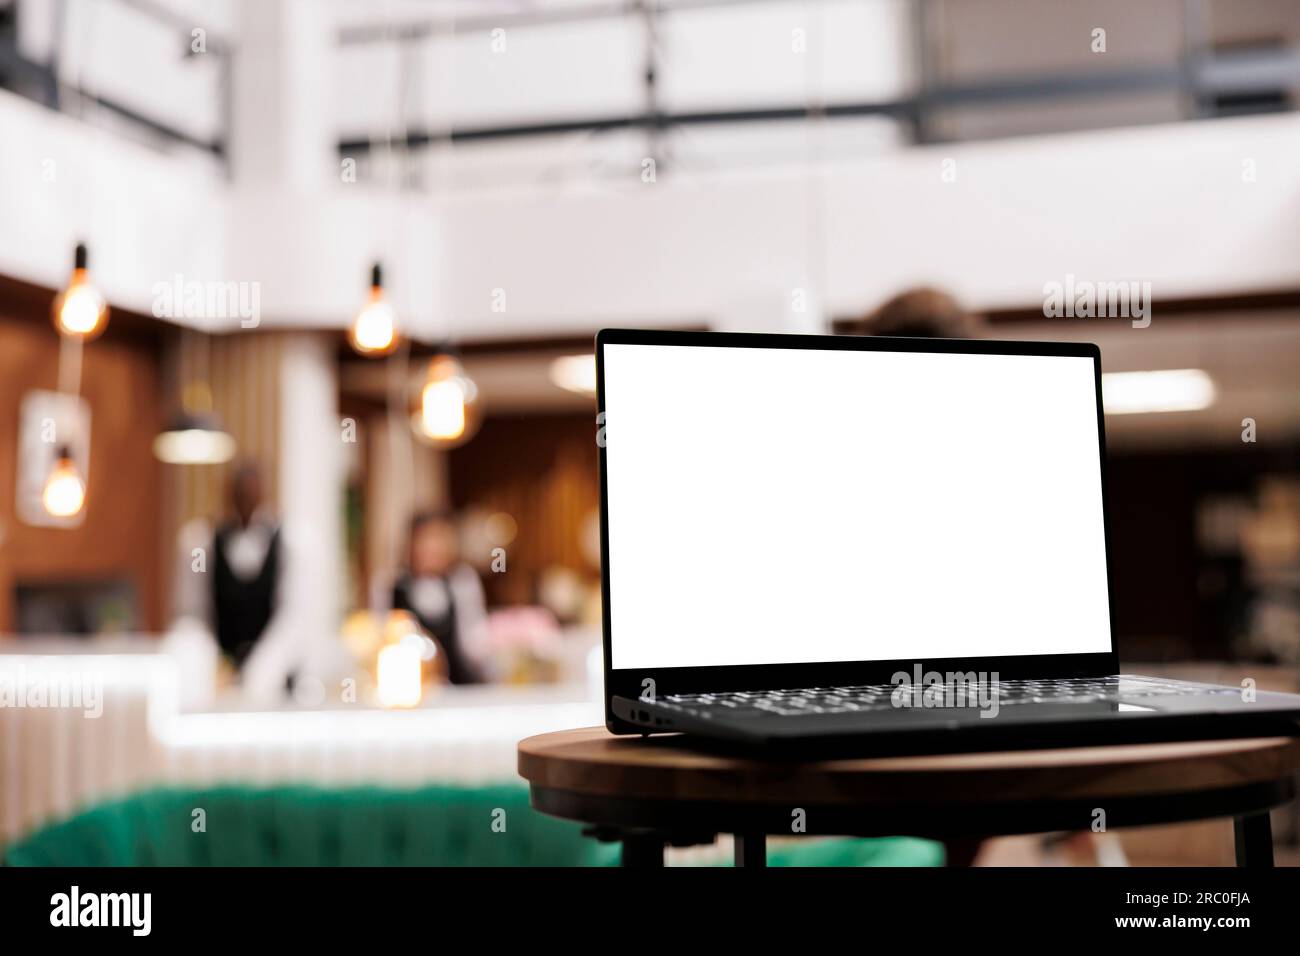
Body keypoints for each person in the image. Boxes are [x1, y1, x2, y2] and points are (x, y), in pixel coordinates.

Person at [391, 511, 491, 685]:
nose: (432, 548)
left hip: (458, 686)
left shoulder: (463, 581)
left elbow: (475, 640)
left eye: (438, 539)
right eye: (425, 540)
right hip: (410, 686)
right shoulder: (392, 586)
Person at [210, 463, 283, 668]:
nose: (246, 500)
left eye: (251, 493)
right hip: (222, 661)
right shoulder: (207, 541)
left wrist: (265, 666)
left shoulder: (285, 542)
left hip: (272, 666)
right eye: (241, 494)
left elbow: (290, 615)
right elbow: (198, 613)